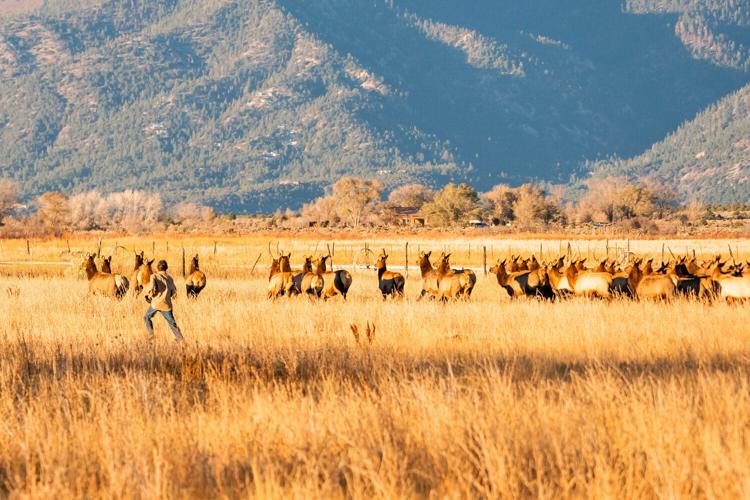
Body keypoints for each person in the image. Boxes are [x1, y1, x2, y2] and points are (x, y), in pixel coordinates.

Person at [143, 260, 184, 342]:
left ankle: (151, 334)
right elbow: (173, 292)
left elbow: (152, 288)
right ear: (166, 268)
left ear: (157, 268)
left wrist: (149, 296)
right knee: (172, 323)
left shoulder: (154, 276)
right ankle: (180, 339)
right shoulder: (170, 278)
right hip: (166, 305)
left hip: (156, 303)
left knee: (147, 317)